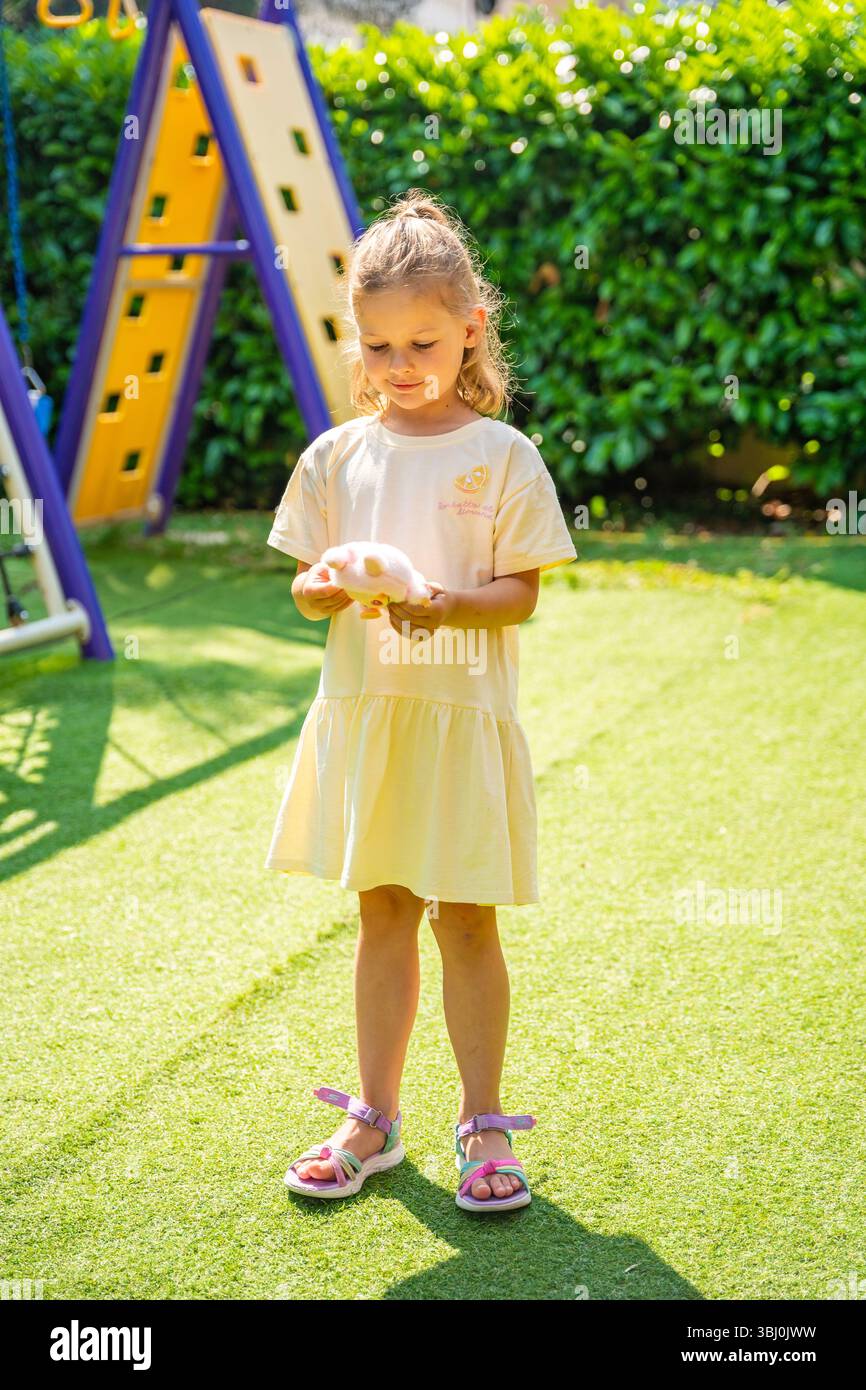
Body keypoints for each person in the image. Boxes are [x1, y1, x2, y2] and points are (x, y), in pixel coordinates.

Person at [265, 189, 577, 1212]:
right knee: (383, 914)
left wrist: (442, 603)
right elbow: (310, 585)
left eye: (424, 343)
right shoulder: (337, 455)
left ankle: (482, 1120)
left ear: (470, 329)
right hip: (374, 719)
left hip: (460, 724)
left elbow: (520, 591)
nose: (399, 366)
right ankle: (375, 1116)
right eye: (379, 345)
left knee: (466, 923)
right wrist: (332, 583)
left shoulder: (501, 458)